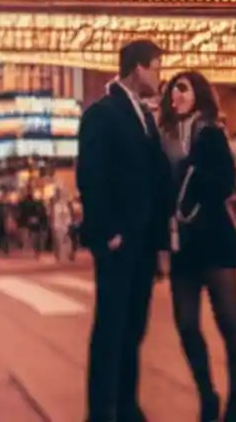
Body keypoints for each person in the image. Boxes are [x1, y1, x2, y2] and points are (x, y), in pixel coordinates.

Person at [77, 39, 174, 422]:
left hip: (143, 241)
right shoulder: (103, 113)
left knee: (134, 329)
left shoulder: (145, 116)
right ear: (138, 69)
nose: (160, 76)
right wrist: (106, 232)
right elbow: (91, 176)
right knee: (110, 331)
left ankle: (127, 405)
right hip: (119, 241)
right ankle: (101, 412)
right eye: (156, 67)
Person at [159, 70, 236, 422]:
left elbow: (225, 181)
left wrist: (191, 177)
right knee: (186, 324)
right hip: (183, 245)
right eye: (171, 91)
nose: (175, 96)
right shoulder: (164, 139)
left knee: (229, 320)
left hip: (215, 239)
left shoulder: (210, 133)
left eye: (182, 89)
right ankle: (207, 394)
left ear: (197, 93)